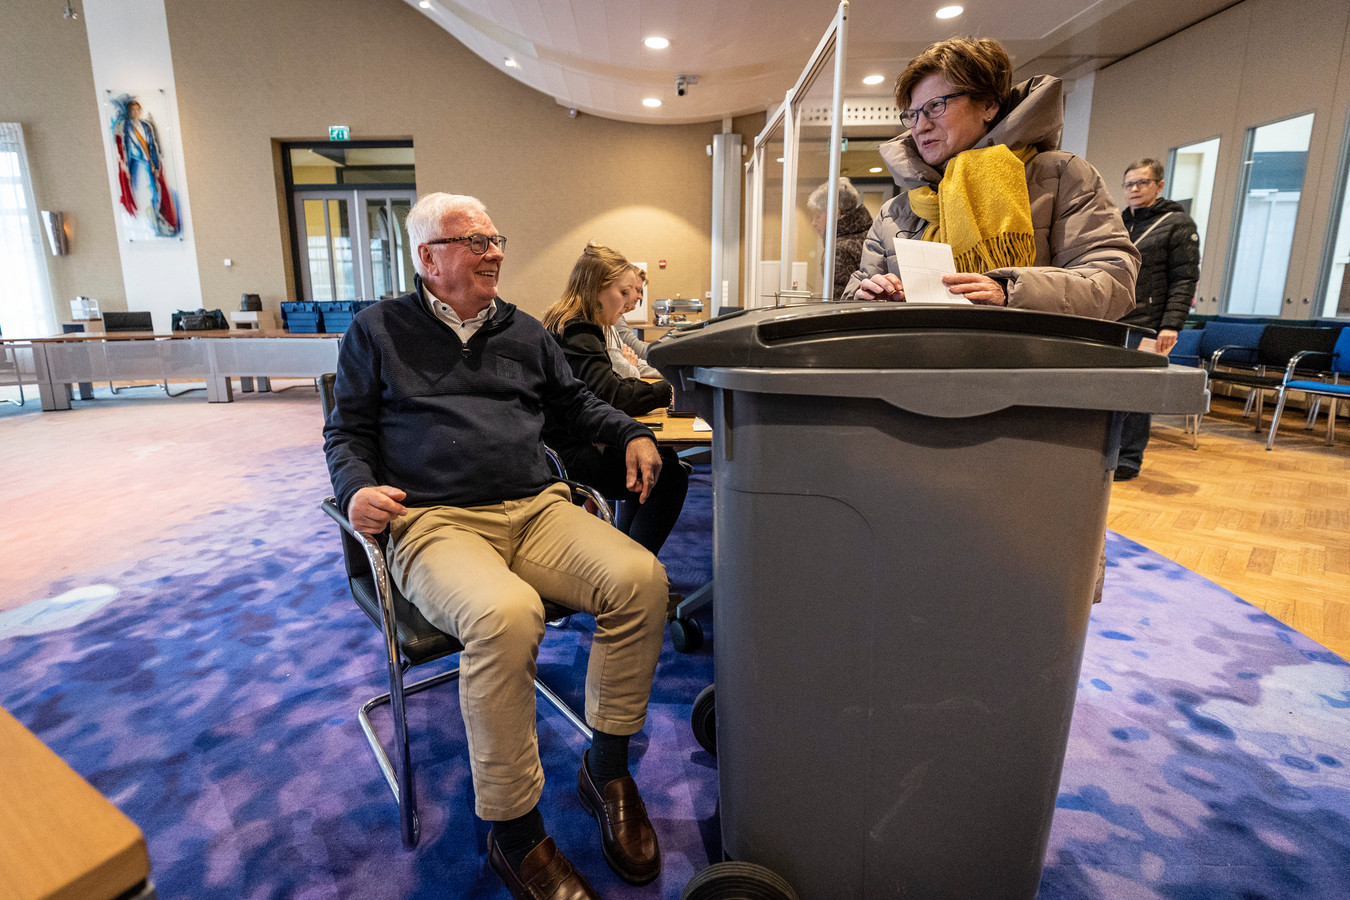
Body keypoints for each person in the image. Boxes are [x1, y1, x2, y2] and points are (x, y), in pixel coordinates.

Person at [324, 194, 667, 900]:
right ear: (429, 258)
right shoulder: (377, 330)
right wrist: (356, 487)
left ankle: (605, 767)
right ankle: (515, 834)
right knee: (506, 615)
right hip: (434, 521)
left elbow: (574, 404)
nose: (495, 252)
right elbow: (347, 431)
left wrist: (631, 431)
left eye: (495, 238)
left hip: (535, 508)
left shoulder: (524, 332)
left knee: (641, 577)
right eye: (474, 241)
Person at [842, 37, 1139, 319]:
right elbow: (855, 291)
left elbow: (1114, 281)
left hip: (1024, 368)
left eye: (936, 106)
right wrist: (866, 298)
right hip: (924, 366)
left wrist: (1010, 292)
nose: (921, 126)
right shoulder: (895, 212)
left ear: (988, 105)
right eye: (913, 114)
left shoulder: (1061, 176)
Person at [543, 245, 690, 556]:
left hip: (560, 443)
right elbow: (610, 394)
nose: (627, 301)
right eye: (622, 292)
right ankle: (634, 568)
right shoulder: (579, 329)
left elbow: (606, 387)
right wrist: (666, 392)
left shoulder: (570, 322)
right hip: (568, 453)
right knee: (669, 476)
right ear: (597, 290)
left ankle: (627, 559)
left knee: (665, 463)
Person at [1114, 157, 1201, 481]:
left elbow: (1184, 279)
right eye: (1129, 184)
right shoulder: (1118, 223)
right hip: (1114, 320)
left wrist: (1170, 325)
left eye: (1142, 183)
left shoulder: (1177, 224)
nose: (1134, 189)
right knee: (1110, 388)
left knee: (1138, 391)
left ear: (1159, 185)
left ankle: (1129, 459)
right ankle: (1107, 450)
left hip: (1149, 322)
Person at [109, 95, 180, 238]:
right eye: (132, 110)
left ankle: (158, 220)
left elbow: (153, 145)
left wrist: (156, 165)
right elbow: (121, 148)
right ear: (128, 112)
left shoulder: (147, 126)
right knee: (139, 191)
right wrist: (126, 168)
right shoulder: (124, 127)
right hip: (135, 163)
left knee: (154, 191)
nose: (135, 112)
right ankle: (144, 223)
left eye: (137, 109)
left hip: (148, 162)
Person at [806, 177, 875, 300]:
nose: (814, 223)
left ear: (835, 214)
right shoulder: (869, 235)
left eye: (817, 216)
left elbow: (837, 305)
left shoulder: (838, 249)